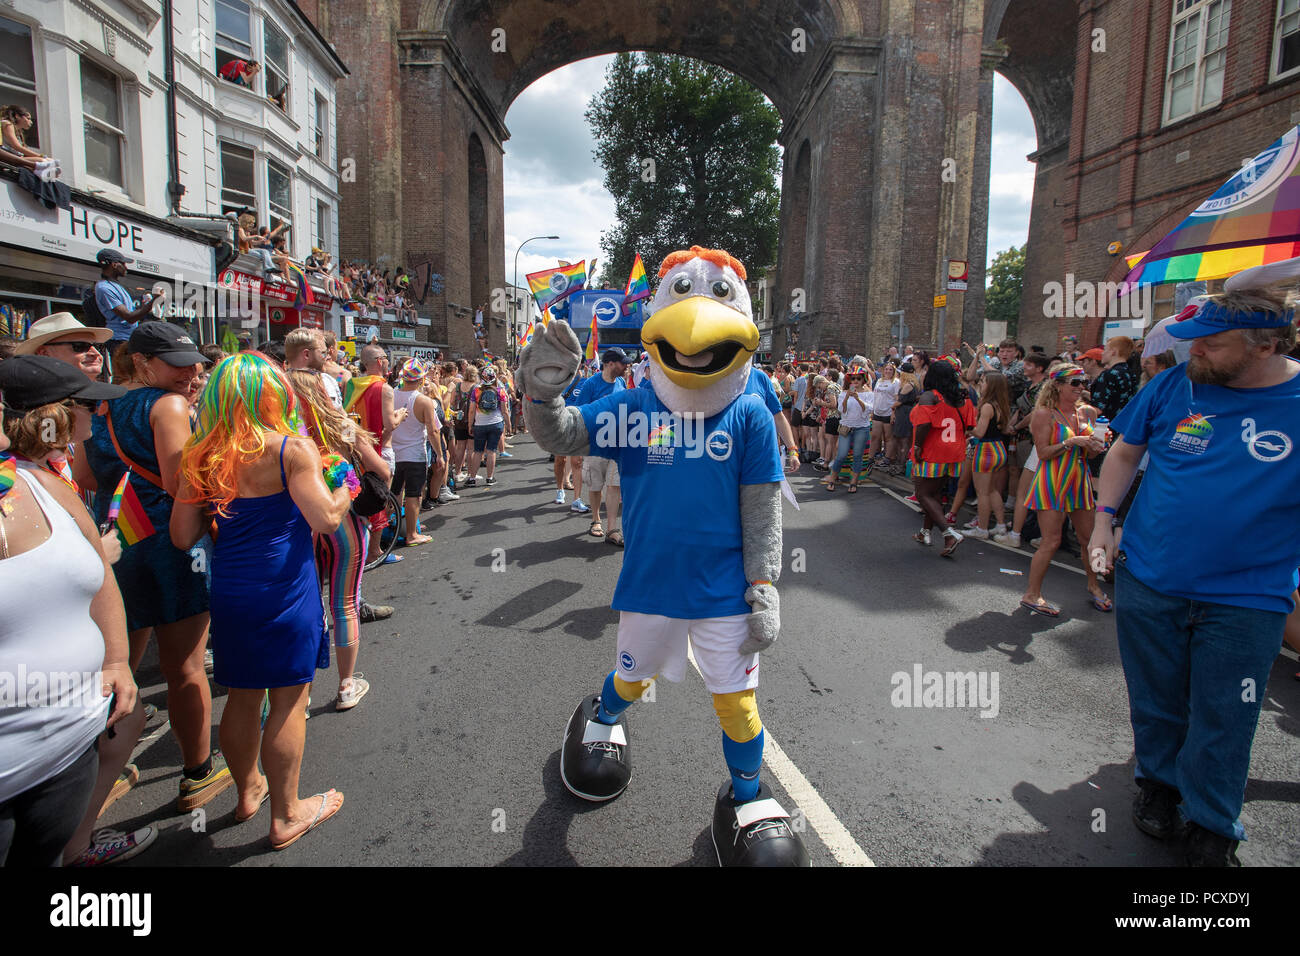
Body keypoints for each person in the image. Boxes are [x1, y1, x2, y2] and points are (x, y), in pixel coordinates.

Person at [1089, 287, 1300, 866]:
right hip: (1151, 579)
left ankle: (1213, 823)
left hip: (1247, 598)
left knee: (1226, 712)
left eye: (1213, 342)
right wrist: (1105, 522)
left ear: (1268, 344)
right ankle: (1158, 783)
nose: (1196, 352)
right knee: (1156, 698)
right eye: (1194, 340)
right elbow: (1125, 453)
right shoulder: (1172, 384)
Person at [172, 353, 348, 848]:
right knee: (290, 698)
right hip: (285, 589)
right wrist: (346, 488)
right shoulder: (291, 448)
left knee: (243, 697)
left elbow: (182, 535)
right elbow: (326, 520)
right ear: (274, 394)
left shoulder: (200, 454)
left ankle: (248, 791)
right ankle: (286, 814)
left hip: (231, 589)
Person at [0, 356, 155, 866]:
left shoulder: (50, 484)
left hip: (68, 748)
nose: (98, 416)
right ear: (53, 417)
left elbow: (102, 578)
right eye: (88, 405)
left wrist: (115, 661)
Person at [75, 322, 229, 812]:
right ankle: (198, 775)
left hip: (114, 541)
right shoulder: (168, 406)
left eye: (194, 364)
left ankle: (108, 772)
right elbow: (180, 481)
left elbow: (83, 476)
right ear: (142, 362)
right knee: (184, 667)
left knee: (117, 665)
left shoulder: (97, 404)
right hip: (168, 543)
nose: (192, 373)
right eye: (178, 364)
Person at [289, 369, 387, 711]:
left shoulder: (280, 430)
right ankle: (347, 685)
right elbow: (382, 470)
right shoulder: (340, 424)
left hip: (301, 525)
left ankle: (301, 692)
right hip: (343, 522)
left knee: (308, 606)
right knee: (344, 604)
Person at [1017, 364, 1108, 616]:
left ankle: (1095, 586)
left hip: (1079, 479)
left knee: (1088, 539)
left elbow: (1090, 453)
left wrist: (1096, 444)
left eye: (1083, 383)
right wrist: (1071, 441)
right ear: (1057, 384)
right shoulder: (1044, 414)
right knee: (1051, 540)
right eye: (1075, 383)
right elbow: (1044, 453)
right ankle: (1032, 594)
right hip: (1053, 479)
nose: (1081, 388)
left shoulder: (1086, 413)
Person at [909, 359, 975, 556]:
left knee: (922, 494)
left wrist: (918, 445)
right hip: (954, 451)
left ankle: (948, 534)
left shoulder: (930, 396)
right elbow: (970, 426)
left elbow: (923, 424)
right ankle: (925, 531)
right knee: (935, 494)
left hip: (932, 451)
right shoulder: (964, 397)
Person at [573, 351, 627, 544]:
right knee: (596, 485)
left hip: (618, 445)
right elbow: (580, 414)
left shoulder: (621, 383)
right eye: (623, 363)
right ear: (610, 364)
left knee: (614, 485)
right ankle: (596, 520)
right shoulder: (591, 384)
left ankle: (612, 528)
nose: (626, 366)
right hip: (595, 445)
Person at [999, 353, 1052, 546]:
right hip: (1022, 437)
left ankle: (1020, 532)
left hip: (1032, 439)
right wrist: (1013, 425)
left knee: (1030, 489)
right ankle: (1025, 528)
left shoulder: (1044, 389)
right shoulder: (1028, 386)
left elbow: (1034, 414)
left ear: (1040, 368)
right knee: (1022, 479)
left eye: (1029, 364)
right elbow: (1020, 409)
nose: (1024, 367)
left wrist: (1018, 426)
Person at [389, 359, 441, 546]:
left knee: (395, 492)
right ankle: (411, 533)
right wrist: (440, 455)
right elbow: (434, 431)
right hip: (414, 454)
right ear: (421, 379)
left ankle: (392, 526)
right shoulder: (423, 400)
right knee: (413, 494)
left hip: (393, 453)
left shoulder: (391, 394)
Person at [966, 371, 1012, 539]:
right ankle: (1000, 525)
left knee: (982, 492)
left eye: (984, 381)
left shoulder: (986, 406)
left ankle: (982, 528)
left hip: (986, 450)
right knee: (992, 490)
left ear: (991, 385)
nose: (981, 384)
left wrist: (966, 427)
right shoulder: (1000, 404)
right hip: (999, 448)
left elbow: (979, 432)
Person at [17, 312, 112, 382]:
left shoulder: (112, 400)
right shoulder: (30, 403)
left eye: (98, 346)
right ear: (44, 354)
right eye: (80, 346)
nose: (96, 353)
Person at [94, 251, 156, 344]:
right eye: (123, 264)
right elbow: (130, 318)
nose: (126, 268)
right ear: (114, 265)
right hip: (118, 340)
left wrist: (144, 306)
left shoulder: (115, 286)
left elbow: (130, 315)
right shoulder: (104, 288)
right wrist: (155, 300)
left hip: (126, 338)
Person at [824, 369, 871, 492]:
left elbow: (867, 411)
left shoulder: (868, 394)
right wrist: (847, 397)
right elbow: (841, 410)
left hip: (861, 428)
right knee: (841, 454)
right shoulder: (844, 393)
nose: (855, 381)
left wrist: (857, 398)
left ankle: (853, 482)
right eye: (853, 378)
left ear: (863, 380)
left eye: (858, 379)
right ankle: (832, 479)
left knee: (857, 455)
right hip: (846, 427)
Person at [463, 364, 508, 487]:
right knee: (491, 451)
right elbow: (504, 411)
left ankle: (472, 478)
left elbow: (471, 410)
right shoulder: (500, 391)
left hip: (480, 424)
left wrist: (470, 424)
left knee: (478, 451)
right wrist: (508, 424)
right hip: (496, 423)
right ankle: (490, 478)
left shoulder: (476, 391)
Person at [0, 105, 60, 179]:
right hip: (8, 157)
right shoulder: (7, 124)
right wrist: (41, 156)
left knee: (51, 166)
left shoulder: (19, 133)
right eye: (28, 119)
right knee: (43, 161)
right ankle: (38, 171)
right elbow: (17, 146)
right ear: (17, 116)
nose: (31, 122)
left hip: (18, 158)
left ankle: (38, 172)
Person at [1089, 335, 1140, 421]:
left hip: (1106, 425)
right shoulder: (1131, 374)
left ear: (1113, 352)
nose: (1102, 353)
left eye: (1105, 349)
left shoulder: (1108, 375)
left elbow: (1098, 408)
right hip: (1123, 424)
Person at [867, 361, 900, 468]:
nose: (888, 371)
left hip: (888, 412)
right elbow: (875, 396)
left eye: (890, 369)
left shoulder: (895, 382)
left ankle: (887, 458)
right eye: (886, 369)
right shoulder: (879, 381)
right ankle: (870, 458)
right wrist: (872, 410)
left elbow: (897, 399)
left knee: (888, 437)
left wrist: (893, 413)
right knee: (875, 436)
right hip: (877, 412)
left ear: (894, 371)